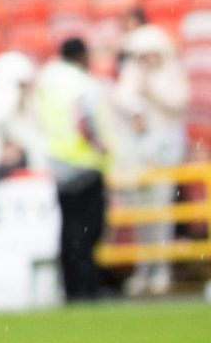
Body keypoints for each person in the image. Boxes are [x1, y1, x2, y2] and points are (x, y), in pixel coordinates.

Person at [33, 40, 115, 302]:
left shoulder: (46, 79)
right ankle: (88, 286)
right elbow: (85, 121)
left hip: (57, 162)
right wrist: (101, 147)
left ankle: (72, 288)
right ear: (81, 55)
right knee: (90, 230)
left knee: (68, 229)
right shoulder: (82, 82)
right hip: (84, 163)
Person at [114, 25, 190, 295]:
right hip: (138, 156)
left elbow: (178, 101)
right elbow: (122, 100)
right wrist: (136, 104)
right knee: (141, 216)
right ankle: (143, 269)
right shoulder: (131, 75)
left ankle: (162, 269)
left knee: (161, 214)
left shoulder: (170, 73)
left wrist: (152, 89)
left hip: (165, 153)